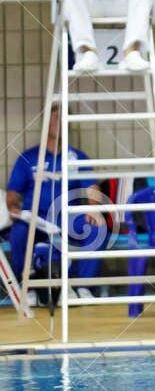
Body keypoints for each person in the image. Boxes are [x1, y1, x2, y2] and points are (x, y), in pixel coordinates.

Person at [6, 106, 106, 305]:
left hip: (67, 217)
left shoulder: (77, 158)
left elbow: (92, 189)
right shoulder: (29, 157)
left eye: (62, 119)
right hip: (37, 217)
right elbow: (13, 193)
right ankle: (26, 287)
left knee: (97, 227)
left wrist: (93, 208)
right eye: (54, 119)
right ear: (45, 124)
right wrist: (13, 207)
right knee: (18, 233)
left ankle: (83, 287)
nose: (58, 123)